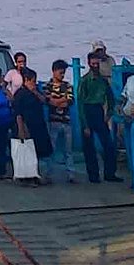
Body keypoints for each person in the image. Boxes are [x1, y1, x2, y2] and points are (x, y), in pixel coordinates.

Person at [78, 50, 117, 182]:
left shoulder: (103, 81)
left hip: (99, 111)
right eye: (93, 63)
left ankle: (110, 174)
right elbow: (81, 103)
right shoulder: (84, 81)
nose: (95, 66)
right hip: (88, 111)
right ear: (89, 64)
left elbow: (111, 98)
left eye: (97, 63)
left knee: (109, 146)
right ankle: (93, 175)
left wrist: (109, 113)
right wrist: (85, 125)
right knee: (89, 148)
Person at [11, 67, 53, 183]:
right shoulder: (20, 94)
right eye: (32, 81)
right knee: (29, 152)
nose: (34, 83)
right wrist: (21, 130)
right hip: (27, 126)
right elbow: (18, 113)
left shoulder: (36, 92)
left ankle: (40, 175)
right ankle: (28, 177)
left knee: (43, 150)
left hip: (38, 124)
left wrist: (34, 91)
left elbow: (44, 101)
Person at [44, 60, 76, 182]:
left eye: (63, 73)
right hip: (53, 122)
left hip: (66, 122)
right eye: (60, 72)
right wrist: (61, 100)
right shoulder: (47, 86)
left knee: (68, 150)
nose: (62, 75)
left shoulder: (67, 85)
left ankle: (71, 174)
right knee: (51, 149)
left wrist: (56, 101)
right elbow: (48, 101)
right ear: (54, 71)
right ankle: (49, 174)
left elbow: (69, 101)